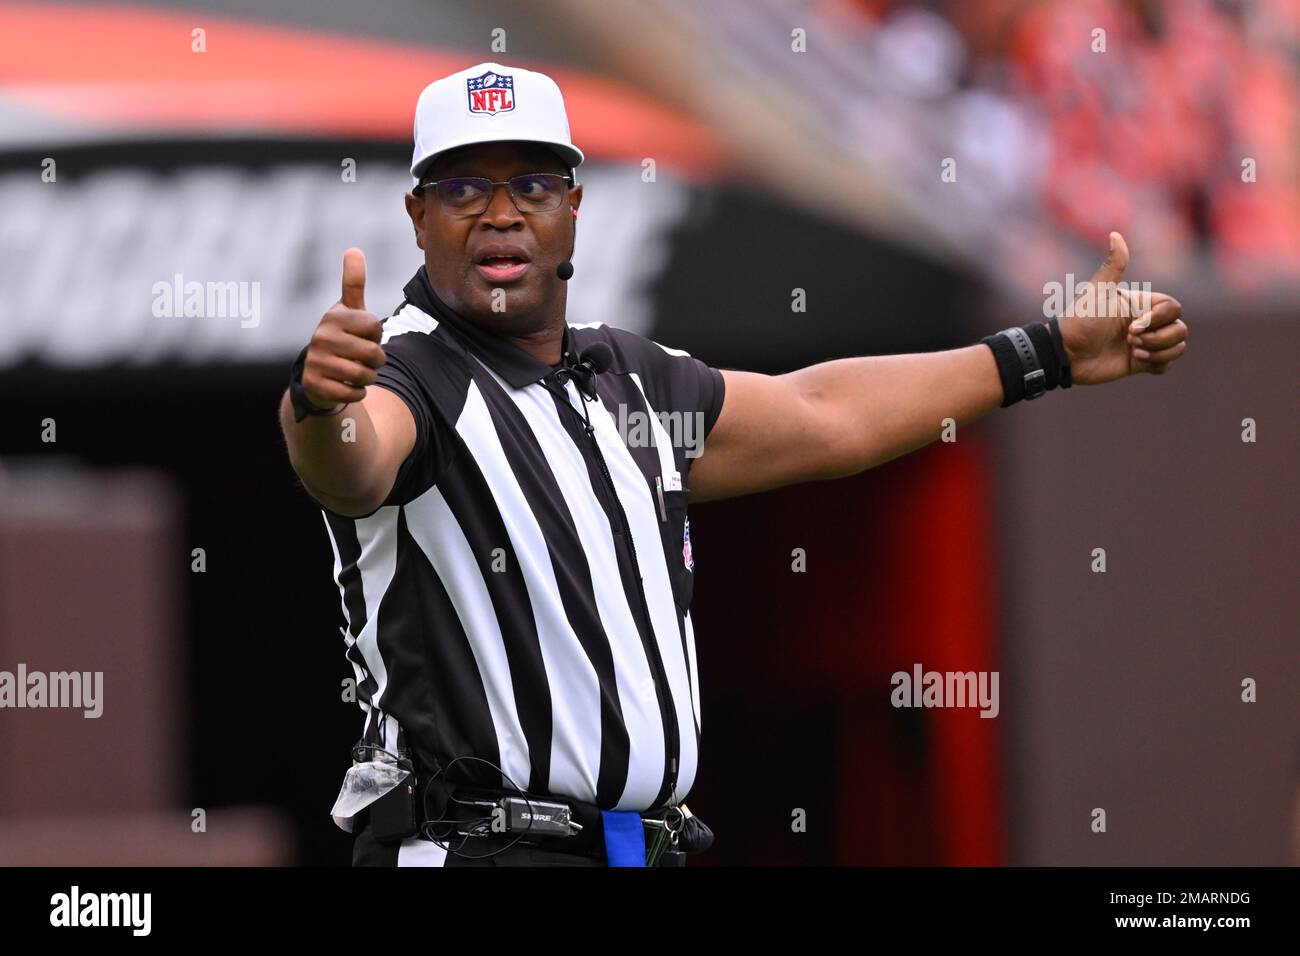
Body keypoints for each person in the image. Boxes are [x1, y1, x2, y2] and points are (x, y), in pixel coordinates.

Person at [278, 62, 1188, 867]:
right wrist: (319, 402)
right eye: (465, 187)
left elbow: (820, 413)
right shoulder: (409, 371)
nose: (503, 213)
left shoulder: (623, 378)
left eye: (535, 185)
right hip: (477, 848)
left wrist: (1047, 354)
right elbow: (350, 465)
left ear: (575, 208)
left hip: (643, 848)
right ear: (418, 214)